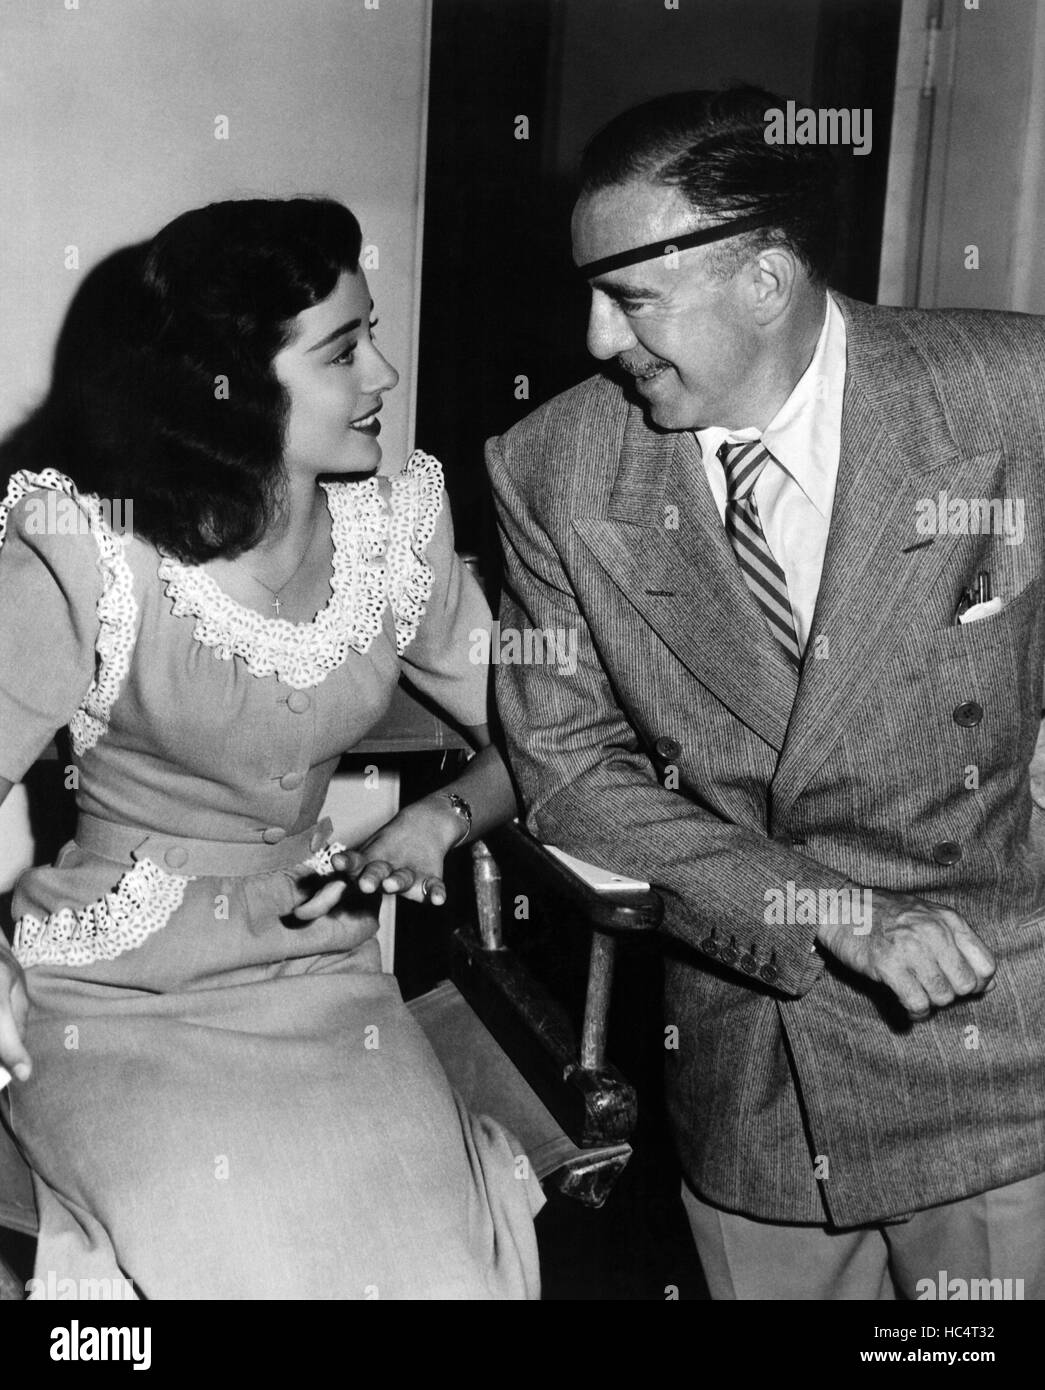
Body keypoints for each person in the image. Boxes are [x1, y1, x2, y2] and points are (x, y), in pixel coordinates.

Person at [488, 86, 1045, 1300]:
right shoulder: (552, 469)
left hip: (1001, 1054)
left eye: (629, 297)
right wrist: (835, 915)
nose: (593, 341)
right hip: (757, 1066)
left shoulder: (1014, 394)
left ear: (764, 277)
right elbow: (572, 777)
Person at [0, 197, 542, 1299]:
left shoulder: (394, 529)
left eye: (372, 334)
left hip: (324, 977)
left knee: (436, 1275)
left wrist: (442, 818)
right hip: (117, 998)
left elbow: (548, 727)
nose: (384, 373)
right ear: (235, 382)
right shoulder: (87, 550)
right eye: (344, 350)